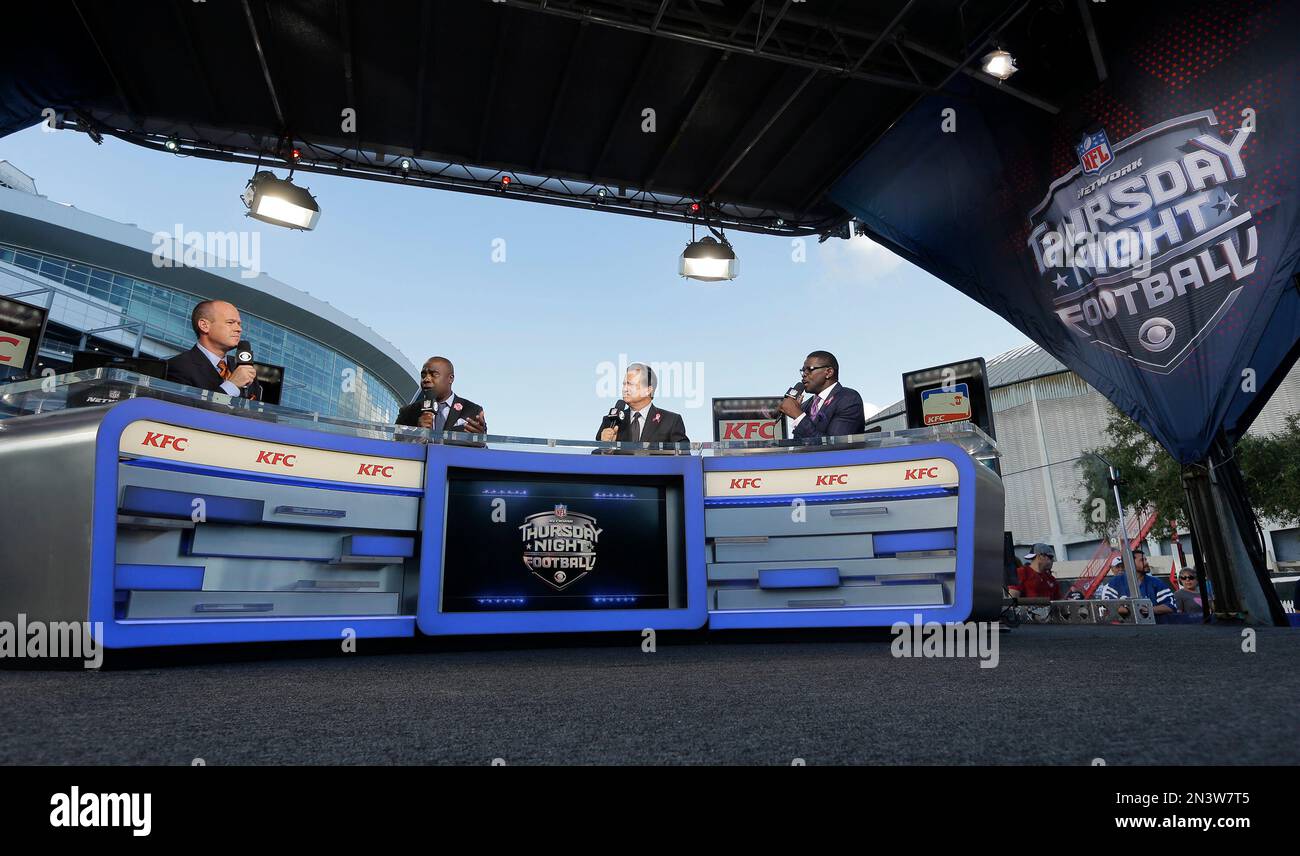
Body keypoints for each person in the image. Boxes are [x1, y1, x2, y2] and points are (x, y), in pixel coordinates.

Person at [165, 300, 259, 398]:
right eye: (230, 322)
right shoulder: (178, 367)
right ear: (204, 325)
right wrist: (232, 385)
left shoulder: (243, 368)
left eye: (239, 324)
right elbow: (189, 409)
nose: (239, 329)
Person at [777, 350, 866, 439]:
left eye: (810, 369)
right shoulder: (805, 406)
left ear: (829, 372)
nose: (804, 374)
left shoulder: (848, 399)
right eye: (803, 370)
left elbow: (835, 446)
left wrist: (798, 415)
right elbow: (800, 446)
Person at [596, 363, 688, 443]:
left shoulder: (671, 421)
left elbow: (684, 458)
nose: (625, 389)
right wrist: (606, 449)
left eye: (630, 384)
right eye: (624, 384)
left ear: (648, 390)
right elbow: (594, 458)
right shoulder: (610, 422)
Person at [396, 356, 487, 433]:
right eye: (423, 375)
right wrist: (416, 433)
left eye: (434, 374)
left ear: (450, 379)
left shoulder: (472, 410)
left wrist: (479, 441)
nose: (426, 379)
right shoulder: (407, 413)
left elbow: (482, 448)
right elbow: (396, 445)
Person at [1097, 548, 1176, 617]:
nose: (1146, 563)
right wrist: (1136, 609)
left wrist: (1148, 609)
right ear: (1130, 563)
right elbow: (1108, 606)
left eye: (1146, 559)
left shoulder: (1156, 582)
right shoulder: (1114, 584)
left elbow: (1170, 606)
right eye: (1142, 560)